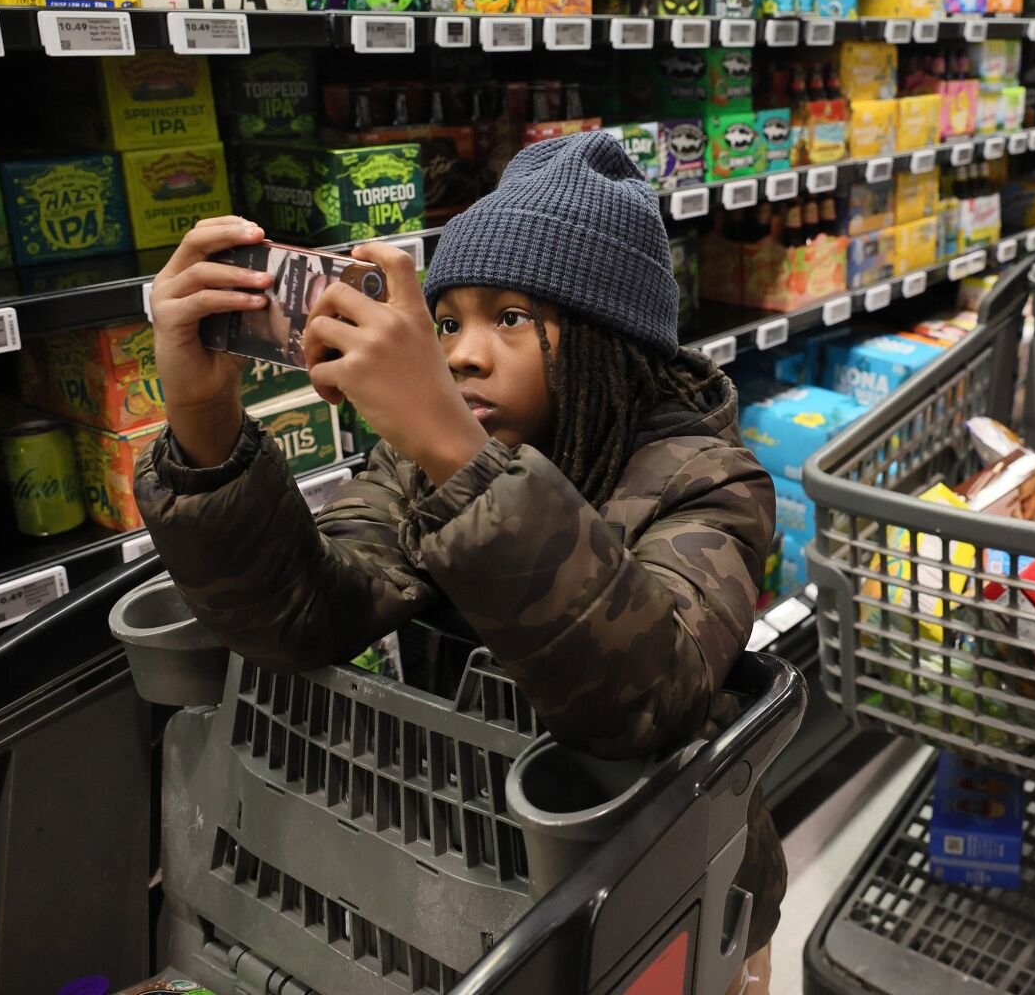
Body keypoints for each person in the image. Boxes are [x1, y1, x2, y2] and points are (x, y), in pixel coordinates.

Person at [135, 133, 783, 991]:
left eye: (510, 317)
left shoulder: (708, 481)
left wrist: (453, 449)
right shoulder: (413, 466)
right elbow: (303, 617)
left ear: (608, 338)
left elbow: (646, 705)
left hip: (672, 902)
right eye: (445, 323)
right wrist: (204, 419)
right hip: (465, 870)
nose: (462, 355)